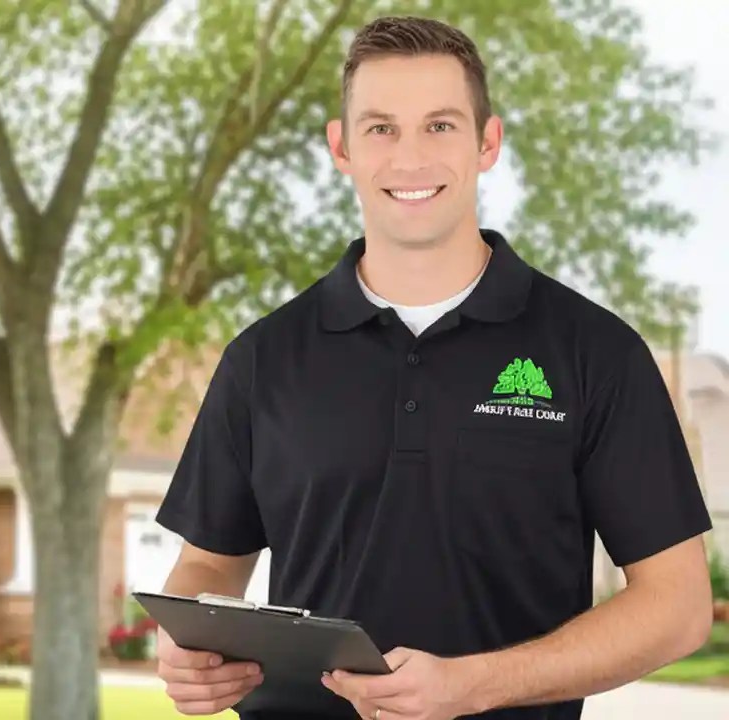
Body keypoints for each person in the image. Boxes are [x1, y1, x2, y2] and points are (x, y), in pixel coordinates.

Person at [152, 14, 714, 720]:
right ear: (341, 148)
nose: (409, 158)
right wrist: (193, 650)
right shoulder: (262, 359)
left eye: (440, 126)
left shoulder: (595, 353)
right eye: (381, 128)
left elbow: (680, 606)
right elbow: (208, 565)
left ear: (488, 143)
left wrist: (475, 685)